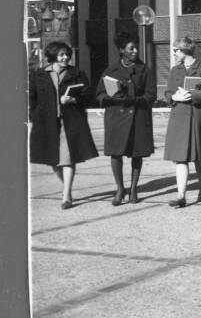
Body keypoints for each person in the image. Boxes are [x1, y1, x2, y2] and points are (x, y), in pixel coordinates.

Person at [28, 41, 98, 209]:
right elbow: (32, 98)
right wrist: (35, 117)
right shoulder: (38, 75)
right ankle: (65, 189)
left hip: (71, 121)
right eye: (61, 55)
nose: (65, 57)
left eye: (67, 54)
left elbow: (88, 95)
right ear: (52, 56)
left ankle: (66, 195)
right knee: (53, 160)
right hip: (46, 123)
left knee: (67, 158)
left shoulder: (77, 73)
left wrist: (74, 99)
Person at [96, 31, 157, 205]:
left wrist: (134, 100)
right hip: (116, 117)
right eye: (131, 48)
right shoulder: (111, 70)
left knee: (137, 154)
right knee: (115, 154)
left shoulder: (145, 69)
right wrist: (109, 98)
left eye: (136, 47)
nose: (135, 51)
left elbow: (151, 94)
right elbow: (100, 93)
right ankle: (120, 188)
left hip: (138, 116)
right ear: (122, 50)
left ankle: (134, 189)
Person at [163, 36, 201, 208]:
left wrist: (191, 95)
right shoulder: (175, 70)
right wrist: (174, 96)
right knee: (180, 158)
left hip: (198, 116)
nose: (173, 54)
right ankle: (181, 195)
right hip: (179, 117)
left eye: (175, 50)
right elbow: (167, 93)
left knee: (200, 157)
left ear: (184, 51)